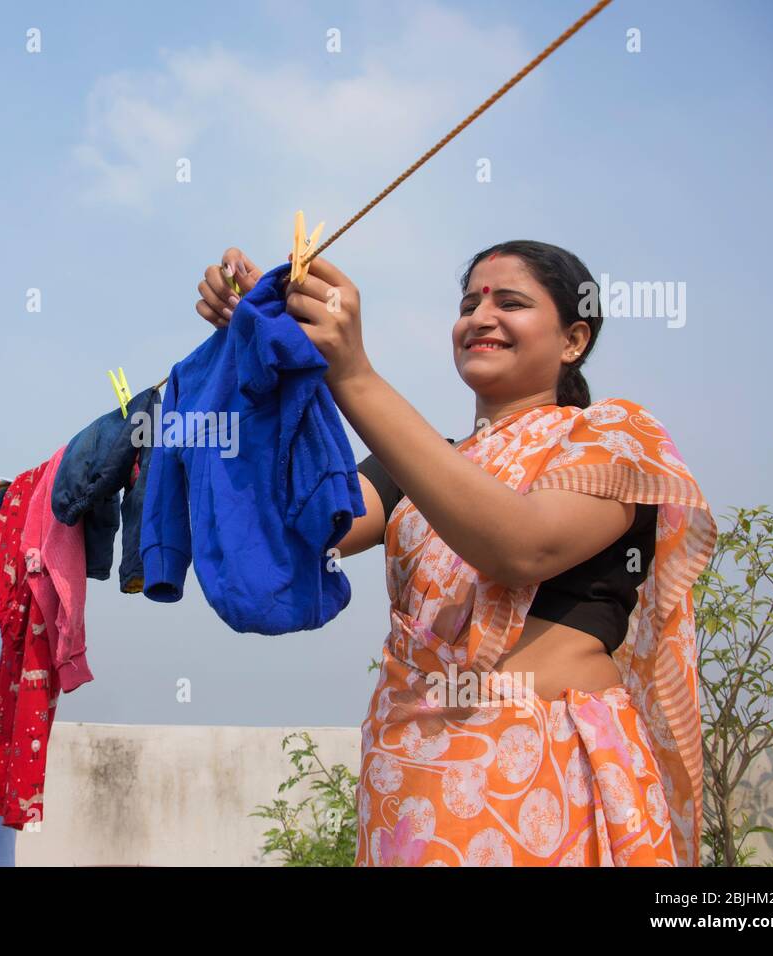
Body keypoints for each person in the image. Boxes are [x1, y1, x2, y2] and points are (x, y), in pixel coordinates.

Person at [196, 240, 718, 866]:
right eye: (470, 301)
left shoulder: (609, 433)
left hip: (549, 765)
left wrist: (353, 373)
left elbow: (521, 546)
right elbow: (291, 531)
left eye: (511, 302)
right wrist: (262, 351)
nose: (480, 315)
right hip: (410, 782)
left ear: (573, 339)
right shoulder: (414, 468)